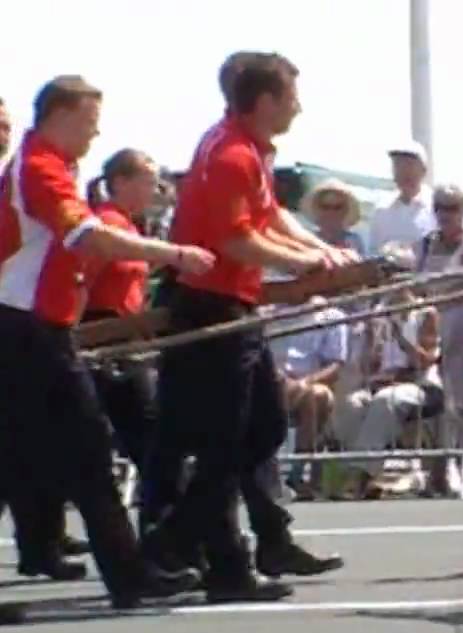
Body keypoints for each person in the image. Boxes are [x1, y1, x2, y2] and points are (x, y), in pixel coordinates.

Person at [141, 54, 348, 603]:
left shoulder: (245, 149)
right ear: (264, 102)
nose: (298, 107)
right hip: (213, 306)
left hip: (236, 305)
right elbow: (234, 241)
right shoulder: (232, 154)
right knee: (226, 442)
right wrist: (302, 265)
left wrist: (319, 248)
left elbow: (268, 215)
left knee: (261, 429)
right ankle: (194, 550)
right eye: (291, 97)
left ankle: (199, 544)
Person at [0, 75, 205, 608]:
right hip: (26, 329)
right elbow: (87, 236)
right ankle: (130, 577)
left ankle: (128, 574)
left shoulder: (48, 167)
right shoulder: (41, 169)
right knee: (84, 449)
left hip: (36, 327)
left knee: (39, 454)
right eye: (90, 123)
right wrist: (175, 254)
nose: (95, 135)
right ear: (62, 117)